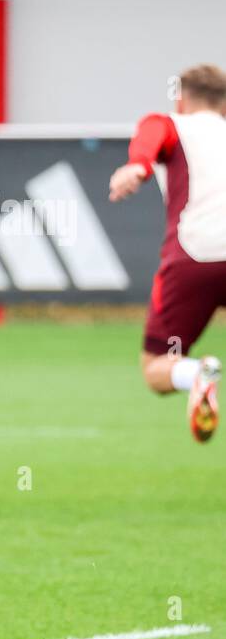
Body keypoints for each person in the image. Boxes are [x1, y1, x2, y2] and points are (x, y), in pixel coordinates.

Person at [109, 63, 226, 443]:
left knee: (157, 366)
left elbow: (152, 134)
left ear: (180, 98)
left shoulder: (171, 123)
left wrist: (137, 167)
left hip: (195, 257)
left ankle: (195, 373)